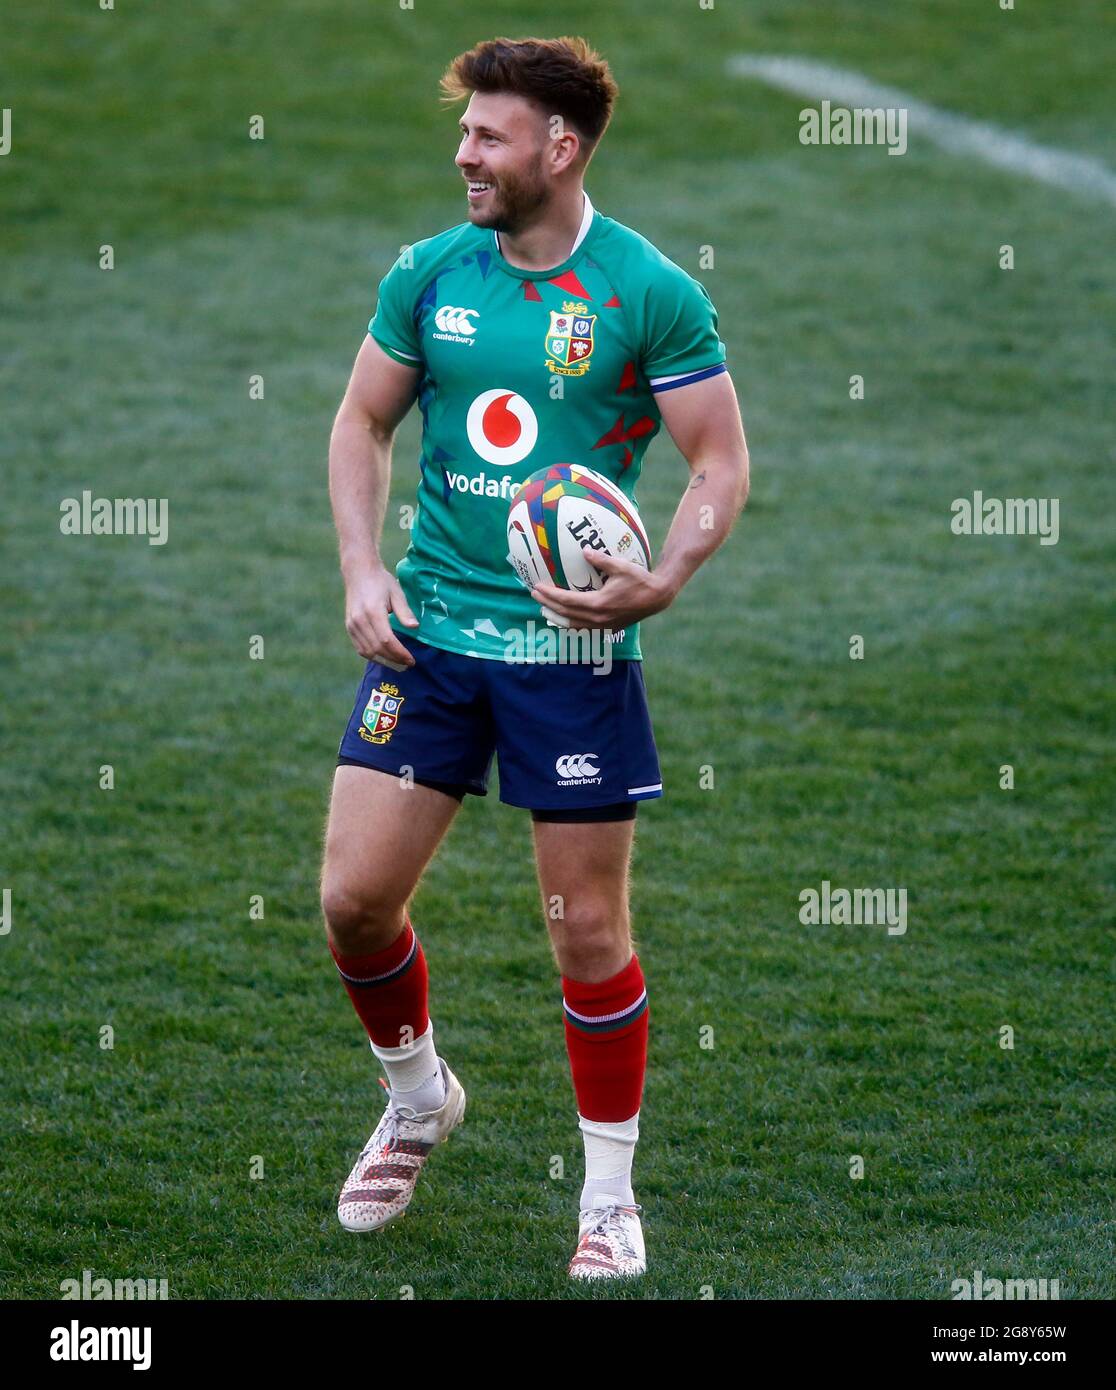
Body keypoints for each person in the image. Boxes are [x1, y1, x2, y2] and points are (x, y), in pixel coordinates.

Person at [320, 35, 749, 1280]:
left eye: (488, 136)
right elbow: (361, 418)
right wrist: (362, 565)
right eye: (464, 133)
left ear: (559, 149)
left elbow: (719, 460)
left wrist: (664, 575)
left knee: (587, 934)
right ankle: (417, 1098)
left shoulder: (649, 291)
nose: (463, 153)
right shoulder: (429, 273)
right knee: (353, 903)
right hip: (429, 640)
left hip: (571, 654)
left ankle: (607, 1197)